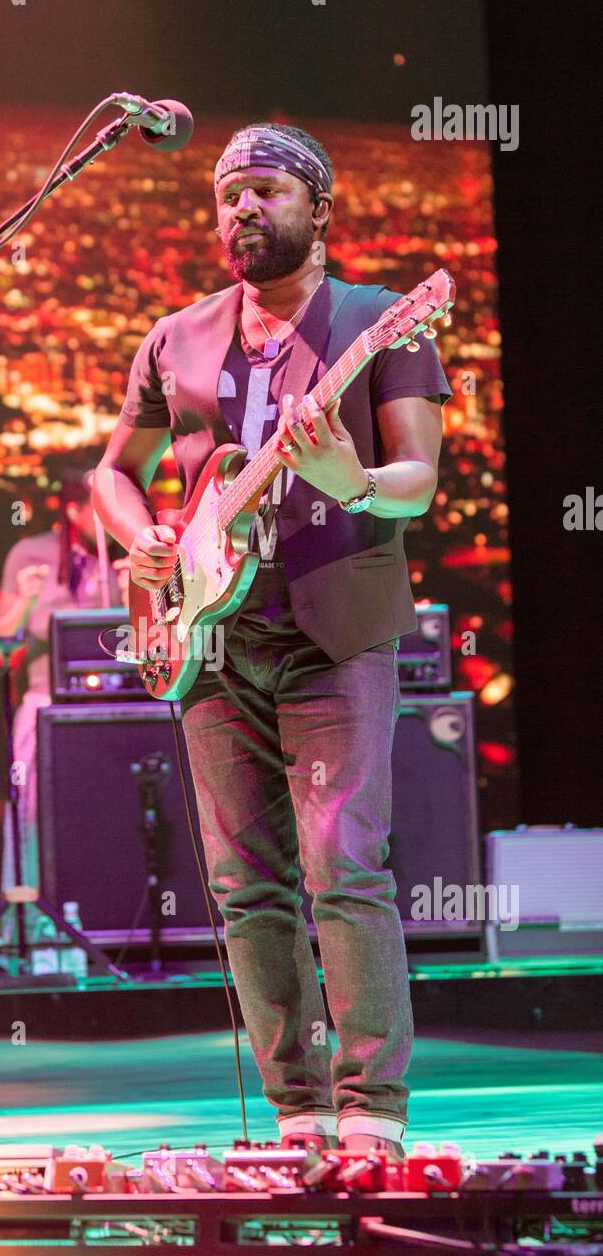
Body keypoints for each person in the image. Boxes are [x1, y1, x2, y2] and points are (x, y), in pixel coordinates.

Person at [93, 124, 451, 1157]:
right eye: (224, 194)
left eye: (262, 190)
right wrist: (145, 539)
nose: (239, 209)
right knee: (244, 882)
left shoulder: (378, 322)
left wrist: (346, 480)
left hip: (333, 633)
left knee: (342, 862)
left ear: (318, 210)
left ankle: (371, 1112)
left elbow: (415, 482)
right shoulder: (177, 336)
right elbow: (116, 472)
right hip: (208, 639)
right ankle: (295, 1109)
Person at [0, 468, 123, 963]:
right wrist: (24, 602)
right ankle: (31, 929)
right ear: (73, 510)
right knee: (30, 813)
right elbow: (0, 652)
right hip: (48, 706)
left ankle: (123, 922)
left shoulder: (133, 548)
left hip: (122, 708)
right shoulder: (31, 555)